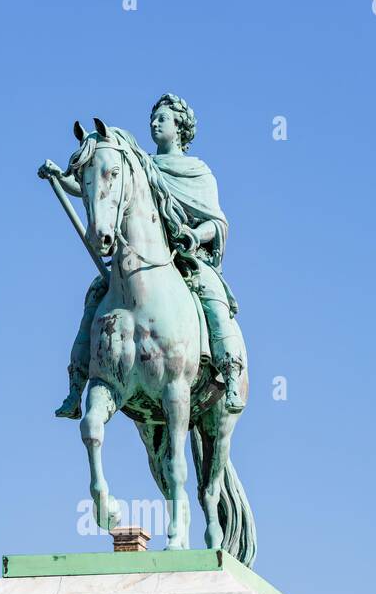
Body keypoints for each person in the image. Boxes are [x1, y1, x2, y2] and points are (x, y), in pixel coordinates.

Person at [43, 94, 248, 419]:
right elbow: (102, 186)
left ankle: (231, 371)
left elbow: (217, 223)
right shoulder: (141, 165)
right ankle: (76, 387)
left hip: (187, 259)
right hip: (140, 260)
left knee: (213, 293)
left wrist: (195, 235)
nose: (154, 123)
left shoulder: (197, 171)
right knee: (95, 295)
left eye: (162, 119)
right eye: (153, 118)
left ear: (179, 127)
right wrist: (62, 177)